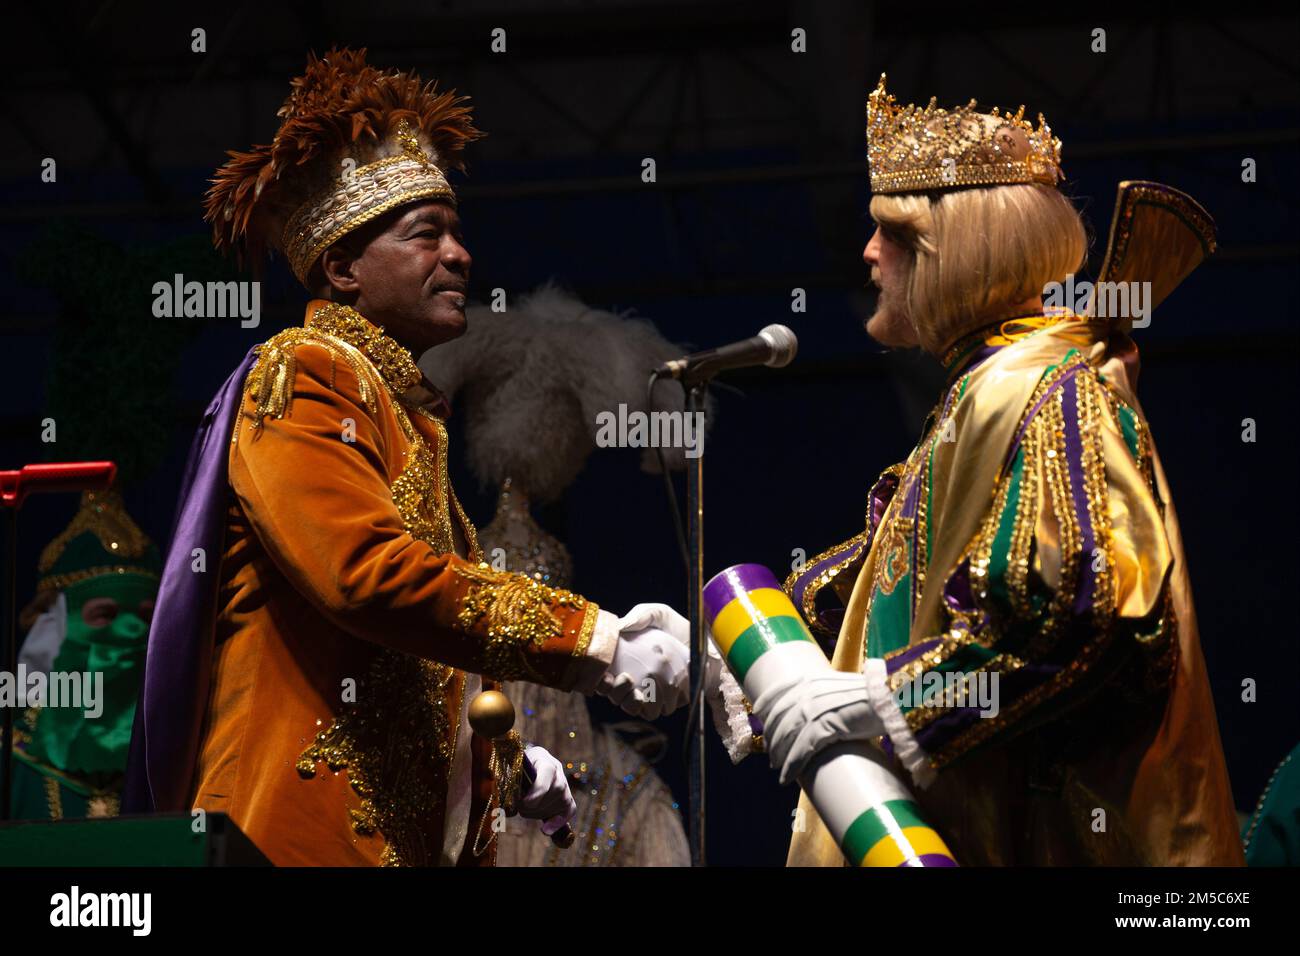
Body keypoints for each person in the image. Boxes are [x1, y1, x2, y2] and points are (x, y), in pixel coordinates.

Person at [123, 48, 689, 867]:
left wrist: (496, 766)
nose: (460, 254)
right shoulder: (304, 372)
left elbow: (404, 661)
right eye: (427, 234)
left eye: (458, 232)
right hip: (288, 840)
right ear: (344, 267)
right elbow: (365, 577)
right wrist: (593, 641)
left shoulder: (406, 417)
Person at [700, 74, 1243, 865]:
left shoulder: (1046, 385)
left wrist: (886, 699)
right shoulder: (999, 387)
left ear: (947, 251)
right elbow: (907, 573)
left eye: (888, 233)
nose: (868, 253)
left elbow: (1085, 612)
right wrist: (742, 640)